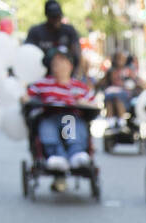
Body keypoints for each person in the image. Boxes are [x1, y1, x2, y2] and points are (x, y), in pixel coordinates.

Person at [25, 47, 97, 190]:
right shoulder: (43, 84)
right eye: (56, 63)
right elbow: (27, 97)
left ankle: (76, 154)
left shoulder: (79, 86)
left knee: (71, 125)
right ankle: (57, 156)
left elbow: (93, 104)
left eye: (63, 62)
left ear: (70, 65)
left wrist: (83, 102)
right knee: (47, 127)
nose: (59, 66)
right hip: (50, 116)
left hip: (70, 117)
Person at [25, 1, 82, 75]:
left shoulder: (69, 31)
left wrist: (75, 75)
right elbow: (28, 55)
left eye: (58, 16)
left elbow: (77, 55)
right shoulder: (35, 32)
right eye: (53, 17)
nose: (56, 20)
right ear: (47, 16)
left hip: (65, 77)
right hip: (41, 76)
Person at [99, 49, 141, 123]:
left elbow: (137, 81)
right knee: (110, 98)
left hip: (125, 94)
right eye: (119, 58)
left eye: (122, 58)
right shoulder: (111, 70)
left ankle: (121, 120)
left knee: (117, 98)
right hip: (111, 93)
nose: (120, 61)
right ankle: (110, 120)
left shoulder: (129, 70)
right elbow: (102, 82)